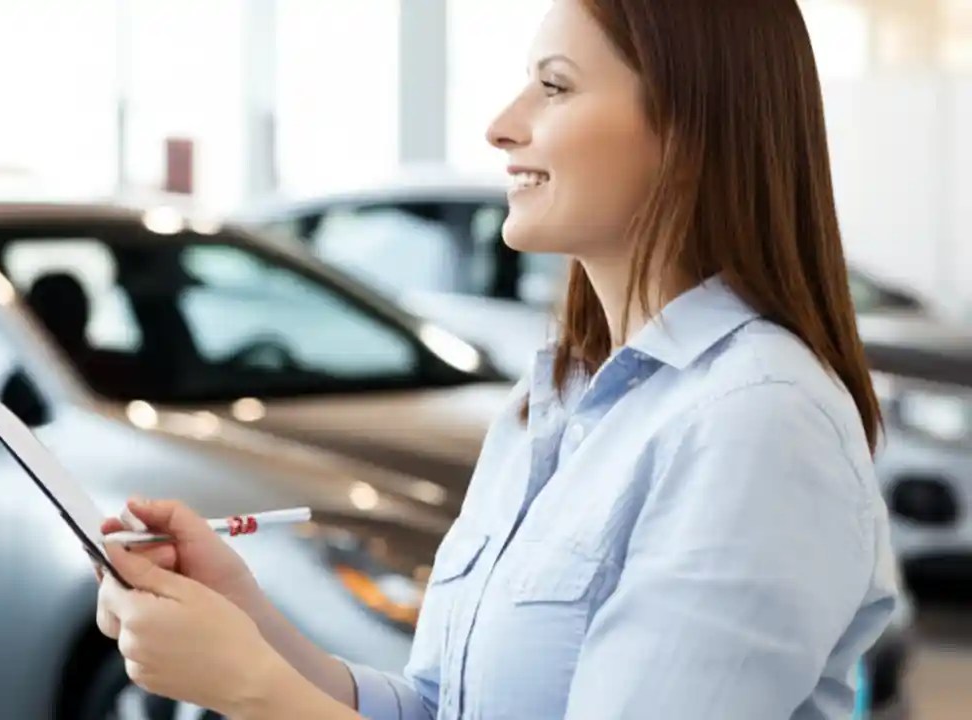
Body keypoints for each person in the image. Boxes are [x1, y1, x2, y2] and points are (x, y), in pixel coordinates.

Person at [93, 1, 898, 717]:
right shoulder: (553, 400)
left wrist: (253, 692)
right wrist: (250, 628)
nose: (502, 125)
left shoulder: (759, 420)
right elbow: (441, 705)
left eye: (554, 87)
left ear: (689, 128)